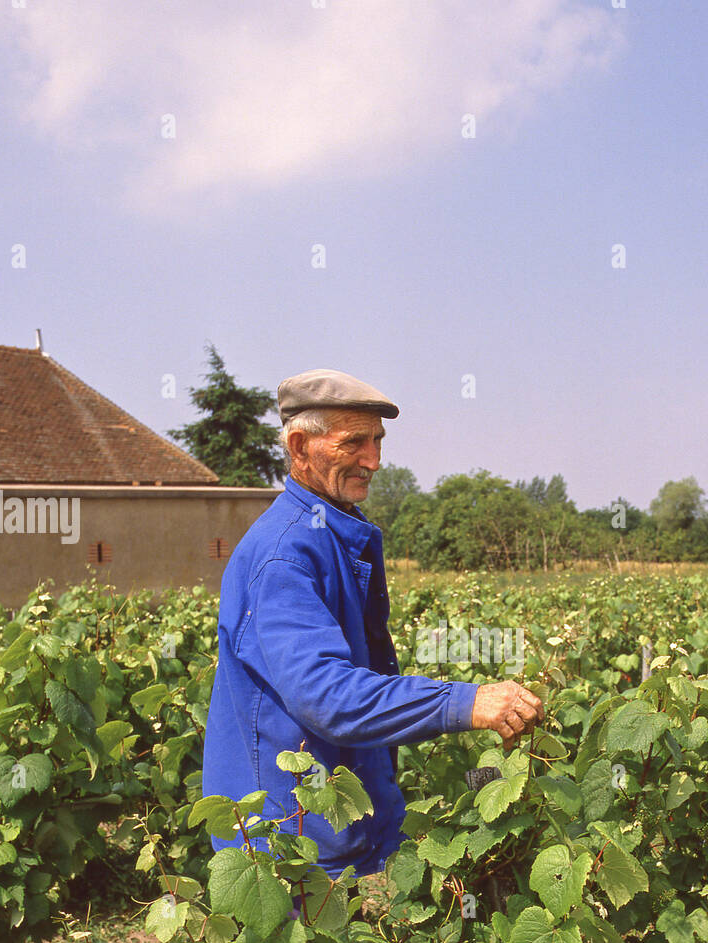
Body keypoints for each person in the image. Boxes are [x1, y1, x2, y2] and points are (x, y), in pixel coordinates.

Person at [201, 367, 544, 882]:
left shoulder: (331, 533)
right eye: (354, 443)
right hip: (286, 841)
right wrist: (465, 702)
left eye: (378, 441)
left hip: (333, 823)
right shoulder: (286, 556)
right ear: (300, 447)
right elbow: (328, 697)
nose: (374, 461)